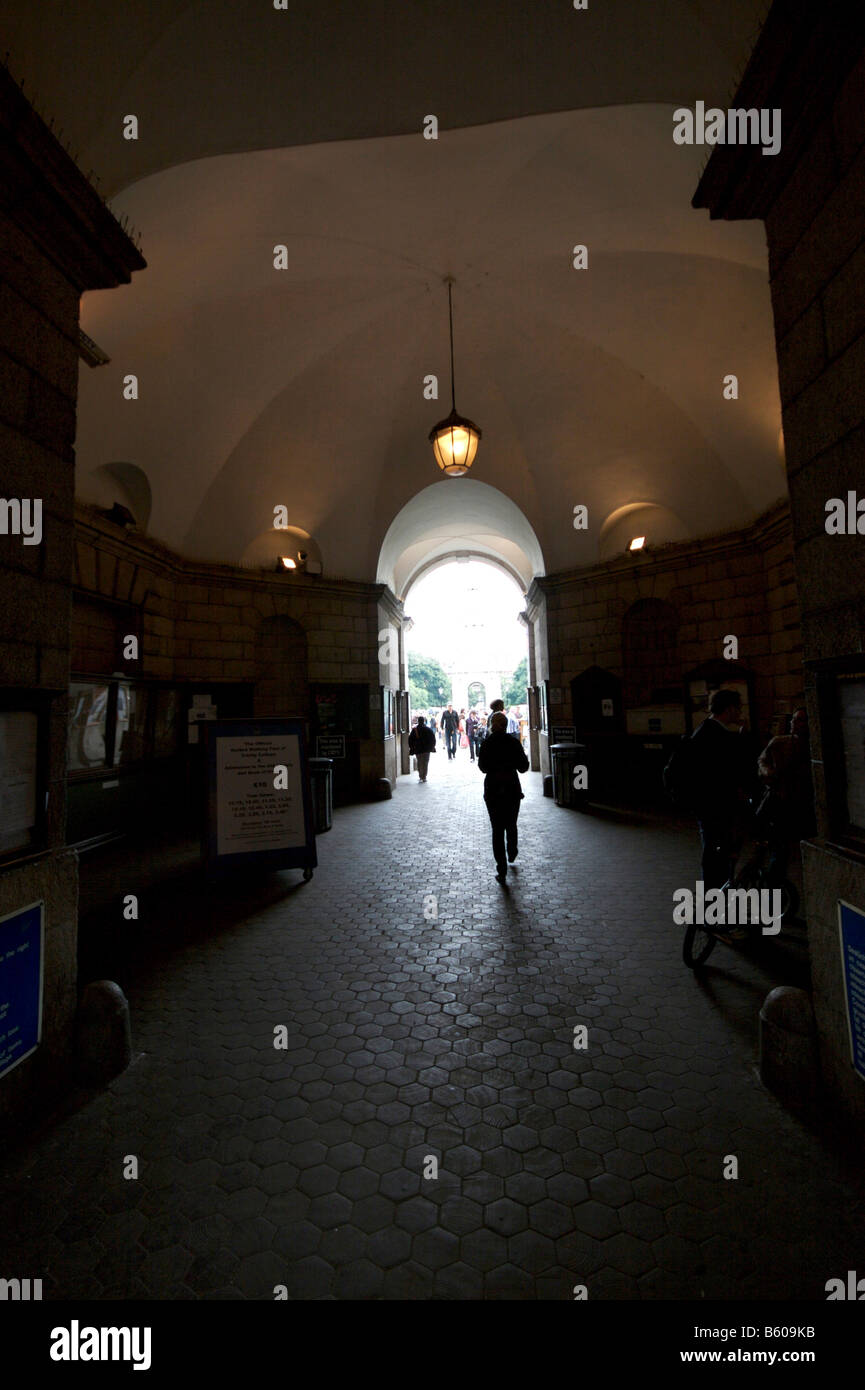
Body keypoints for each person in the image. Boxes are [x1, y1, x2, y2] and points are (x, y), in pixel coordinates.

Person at [689, 688, 751, 892]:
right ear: (730, 708)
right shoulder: (716, 734)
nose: (740, 713)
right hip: (717, 807)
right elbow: (731, 770)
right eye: (738, 708)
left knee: (716, 854)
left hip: (710, 806)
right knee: (717, 856)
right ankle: (714, 904)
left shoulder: (706, 730)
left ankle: (715, 899)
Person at [757, 707, 815, 887]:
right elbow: (762, 762)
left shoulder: (812, 746)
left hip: (803, 805)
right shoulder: (780, 743)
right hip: (781, 804)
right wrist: (769, 773)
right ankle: (772, 888)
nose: (793, 724)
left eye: (799, 720)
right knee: (779, 851)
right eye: (794, 720)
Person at [478, 710, 529, 882]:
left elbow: (483, 767)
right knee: (511, 823)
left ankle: (501, 869)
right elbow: (523, 767)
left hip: (492, 788)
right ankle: (512, 851)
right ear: (506, 725)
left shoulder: (487, 743)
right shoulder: (513, 742)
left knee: (497, 829)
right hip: (511, 787)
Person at [408, 715, 437, 782]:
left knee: (419, 762)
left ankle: (421, 776)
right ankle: (424, 776)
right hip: (427, 750)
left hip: (418, 749)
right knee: (425, 763)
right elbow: (433, 740)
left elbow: (410, 740)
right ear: (424, 721)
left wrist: (412, 748)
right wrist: (431, 747)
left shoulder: (414, 730)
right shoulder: (428, 729)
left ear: (418, 721)